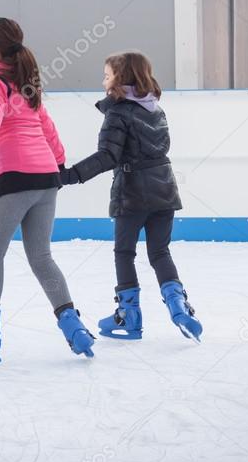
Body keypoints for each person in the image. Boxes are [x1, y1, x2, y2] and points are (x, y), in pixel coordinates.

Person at [0, 17, 95, 363]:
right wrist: (58, 165)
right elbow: (46, 126)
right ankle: (75, 328)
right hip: (45, 178)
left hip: (15, 178)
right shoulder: (25, 81)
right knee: (41, 256)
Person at [59, 51, 202, 343]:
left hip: (133, 194)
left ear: (120, 79)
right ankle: (178, 305)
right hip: (164, 191)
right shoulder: (156, 109)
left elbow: (108, 156)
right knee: (160, 252)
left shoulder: (118, 112)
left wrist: (69, 175)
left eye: (107, 75)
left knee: (124, 253)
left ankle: (129, 316)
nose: (103, 80)